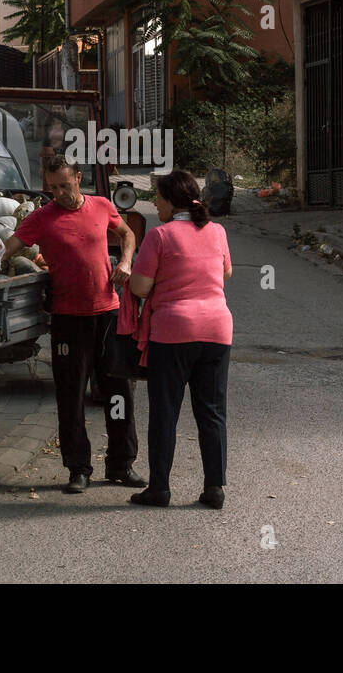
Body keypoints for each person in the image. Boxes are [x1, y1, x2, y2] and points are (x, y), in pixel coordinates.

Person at [3, 154, 146, 494]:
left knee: (117, 393)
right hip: (68, 320)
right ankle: (78, 468)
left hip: (108, 313)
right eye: (52, 188)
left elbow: (126, 234)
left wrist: (126, 261)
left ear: (78, 178)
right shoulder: (40, 218)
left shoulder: (100, 206)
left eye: (64, 186)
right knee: (71, 397)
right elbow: (9, 247)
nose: (59, 194)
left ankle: (121, 465)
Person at [126, 170, 232, 509]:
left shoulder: (160, 236)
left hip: (173, 333)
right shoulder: (216, 231)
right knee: (212, 412)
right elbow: (225, 273)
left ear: (172, 201)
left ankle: (159, 488)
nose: (155, 203)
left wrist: (156, 280)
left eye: (157, 198)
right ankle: (214, 488)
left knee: (165, 412)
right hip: (217, 330)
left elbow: (140, 288)